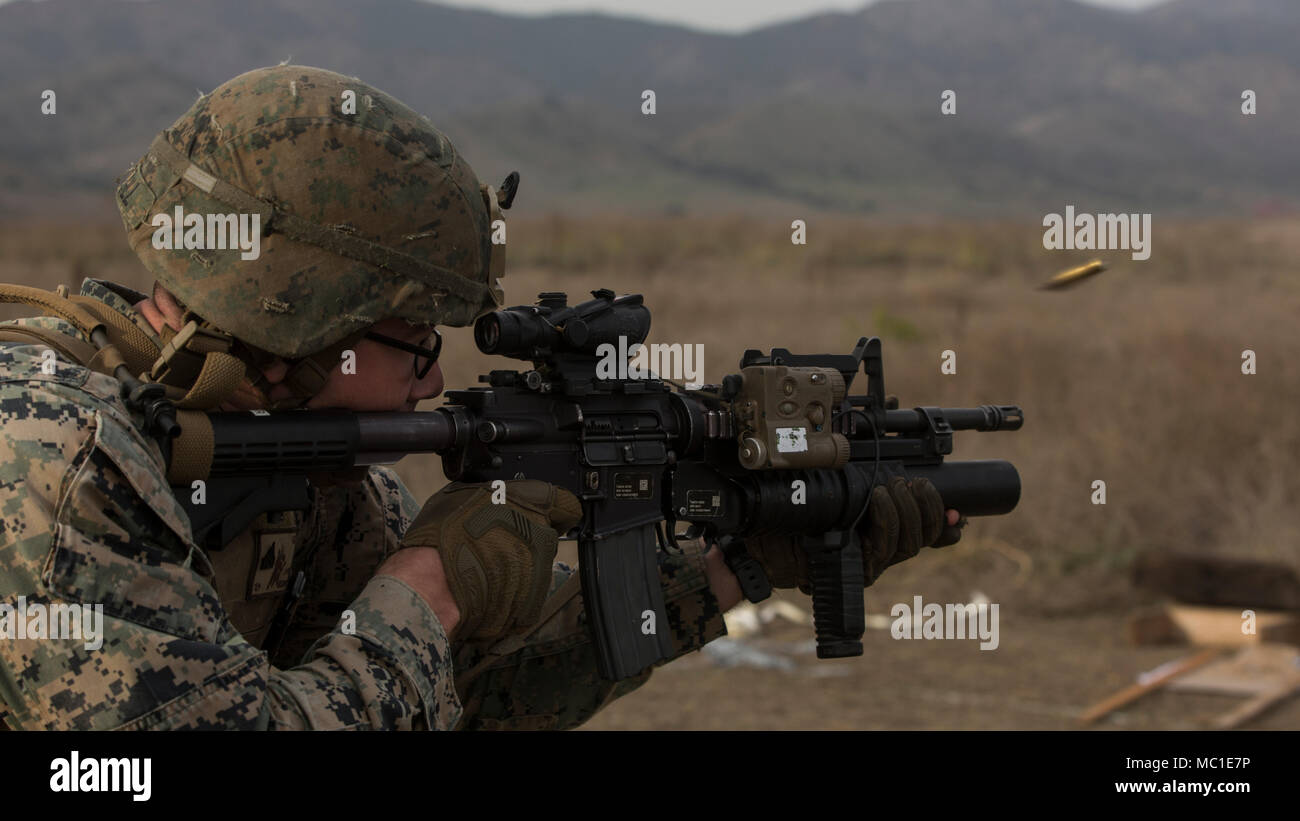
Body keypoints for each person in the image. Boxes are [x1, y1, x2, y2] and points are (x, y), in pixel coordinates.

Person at [0, 65, 961, 731]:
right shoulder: (52, 455)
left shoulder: (314, 471)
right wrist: (431, 589)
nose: (434, 380)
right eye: (418, 340)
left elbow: (440, 702)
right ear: (307, 319)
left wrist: (729, 568)